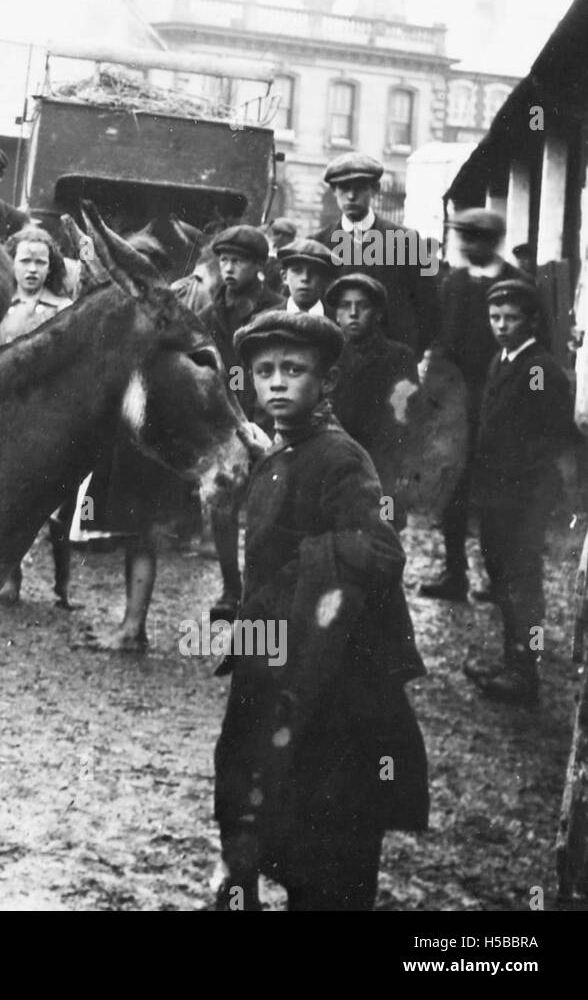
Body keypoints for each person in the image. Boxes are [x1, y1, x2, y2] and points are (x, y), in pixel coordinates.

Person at [213, 310, 428, 910]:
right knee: (260, 804)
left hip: (331, 684)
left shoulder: (341, 458)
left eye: (294, 370)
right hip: (279, 670)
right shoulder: (278, 451)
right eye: (264, 371)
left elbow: (380, 549)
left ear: (326, 382)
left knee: (329, 840)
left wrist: (289, 584)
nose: (277, 383)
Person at [464, 279, 576, 706]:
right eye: (495, 317)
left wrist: (518, 479)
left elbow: (545, 433)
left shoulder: (535, 369)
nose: (502, 325)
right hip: (498, 493)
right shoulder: (502, 360)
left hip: (523, 496)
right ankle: (510, 660)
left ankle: (524, 673)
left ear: (531, 320)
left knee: (521, 584)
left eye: (511, 318)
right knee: (501, 579)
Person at [420, 208, 528, 601]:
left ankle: (498, 580)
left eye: (475, 238)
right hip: (455, 405)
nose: (467, 245)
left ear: (493, 241)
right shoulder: (454, 283)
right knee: (452, 490)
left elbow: (536, 351)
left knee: (496, 495)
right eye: (463, 237)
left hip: (501, 404)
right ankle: (455, 573)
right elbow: (439, 342)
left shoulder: (518, 285)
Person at [181, 225, 282, 617]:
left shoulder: (273, 309)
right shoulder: (209, 312)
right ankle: (231, 587)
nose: (228, 268)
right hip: (225, 422)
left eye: (238, 261)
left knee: (266, 511)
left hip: (267, 419)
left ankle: (261, 588)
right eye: (223, 260)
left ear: (258, 266)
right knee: (222, 505)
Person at [0, 227, 73, 605]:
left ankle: (63, 583)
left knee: (57, 503)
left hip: (49, 414)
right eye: (25, 260)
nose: (33, 269)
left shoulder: (64, 309)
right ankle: (10, 577)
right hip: (7, 409)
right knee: (8, 499)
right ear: (12, 263)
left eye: (41, 261)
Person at [314, 153, 440, 355]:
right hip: (336, 360)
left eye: (360, 188)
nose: (351, 196)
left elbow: (428, 306)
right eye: (344, 188)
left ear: (375, 189)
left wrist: (412, 355)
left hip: (392, 362)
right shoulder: (319, 244)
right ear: (334, 191)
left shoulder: (407, 239)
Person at [326, 272, 416, 518]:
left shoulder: (399, 358)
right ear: (336, 314)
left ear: (378, 313)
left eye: (362, 306)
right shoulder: (327, 356)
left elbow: (403, 418)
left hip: (380, 465)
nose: (353, 313)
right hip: (333, 462)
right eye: (345, 306)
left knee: (381, 538)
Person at [277, 238, 335, 316]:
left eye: (314, 271)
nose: (305, 278)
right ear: (284, 277)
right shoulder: (265, 321)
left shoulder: (338, 321)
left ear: (325, 280)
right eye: (297, 270)